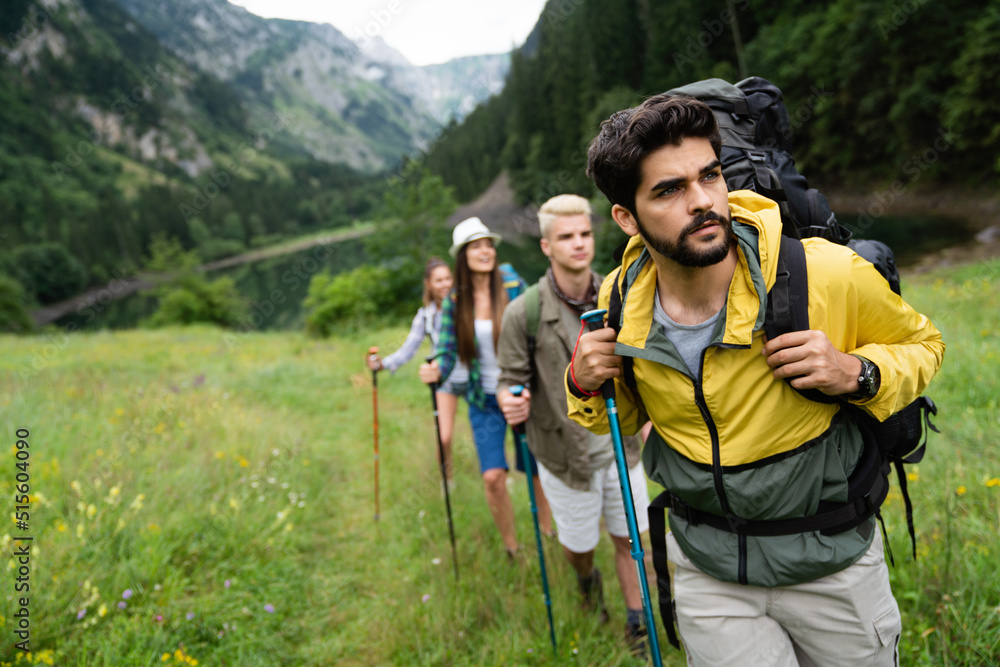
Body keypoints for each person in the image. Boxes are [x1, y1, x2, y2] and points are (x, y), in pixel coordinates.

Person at [567, 94, 944, 665]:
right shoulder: (620, 298)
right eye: (669, 190)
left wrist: (856, 372)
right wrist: (582, 381)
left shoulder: (823, 272)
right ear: (627, 218)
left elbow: (924, 344)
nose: (702, 201)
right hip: (707, 569)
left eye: (709, 175)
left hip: (832, 560)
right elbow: (618, 417)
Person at [496, 193, 652, 651]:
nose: (579, 243)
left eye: (585, 233)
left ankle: (637, 623)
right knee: (579, 548)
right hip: (564, 458)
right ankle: (587, 579)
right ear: (546, 246)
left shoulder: (621, 294)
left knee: (631, 539)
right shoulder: (522, 313)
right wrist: (510, 401)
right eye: (566, 237)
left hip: (621, 449)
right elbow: (509, 380)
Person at [419, 217, 552, 557]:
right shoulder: (454, 300)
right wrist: (436, 369)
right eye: (476, 246)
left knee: (535, 470)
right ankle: (512, 547)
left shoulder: (511, 282)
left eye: (488, 244)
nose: (485, 251)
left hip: (521, 394)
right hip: (484, 400)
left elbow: (537, 325)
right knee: (493, 477)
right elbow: (447, 350)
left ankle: (548, 532)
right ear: (463, 256)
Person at [366, 257, 467, 488]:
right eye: (438, 280)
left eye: (448, 278)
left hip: (473, 375)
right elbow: (408, 349)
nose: (445, 284)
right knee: (444, 437)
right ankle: (447, 481)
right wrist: (383, 364)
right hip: (444, 378)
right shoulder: (425, 316)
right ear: (428, 284)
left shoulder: (464, 305)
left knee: (489, 427)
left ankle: (499, 477)